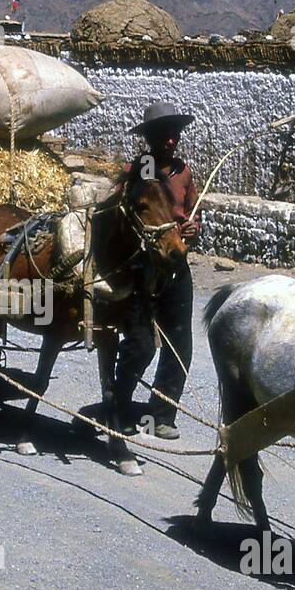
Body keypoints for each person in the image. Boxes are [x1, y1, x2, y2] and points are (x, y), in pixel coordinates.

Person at [118, 101, 200, 440]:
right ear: (149, 139)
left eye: (174, 135)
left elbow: (193, 212)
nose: (171, 141)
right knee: (140, 344)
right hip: (144, 267)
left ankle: (162, 414)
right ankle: (118, 403)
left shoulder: (185, 172)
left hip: (176, 265)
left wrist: (195, 228)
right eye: (163, 136)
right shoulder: (143, 169)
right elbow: (143, 203)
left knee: (180, 343)